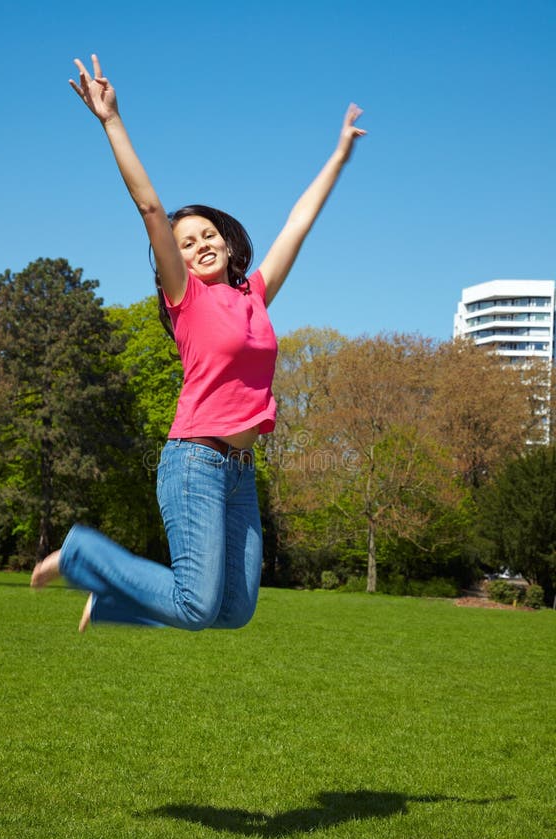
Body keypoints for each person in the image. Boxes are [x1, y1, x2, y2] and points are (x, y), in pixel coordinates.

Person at [31, 53, 366, 632]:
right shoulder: (185, 297)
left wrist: (338, 155)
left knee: (232, 612)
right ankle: (84, 554)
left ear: (228, 244)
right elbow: (149, 206)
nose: (200, 245)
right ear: (176, 260)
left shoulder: (254, 294)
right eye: (187, 242)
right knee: (195, 603)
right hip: (195, 461)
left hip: (241, 470)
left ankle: (110, 605)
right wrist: (111, 120)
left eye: (208, 235)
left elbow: (298, 223)